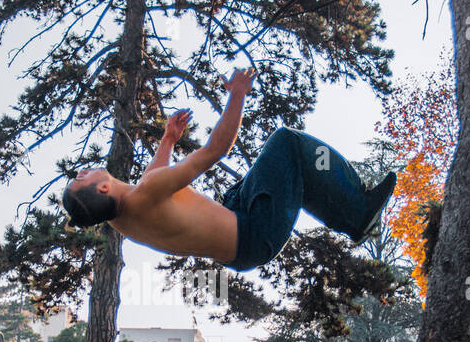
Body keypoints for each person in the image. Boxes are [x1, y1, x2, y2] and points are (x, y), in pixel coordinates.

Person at [60, 67, 397, 271]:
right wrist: (237, 95)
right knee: (287, 143)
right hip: (254, 231)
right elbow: (215, 151)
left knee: (292, 174)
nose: (83, 172)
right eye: (81, 179)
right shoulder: (145, 194)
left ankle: (351, 213)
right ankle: (358, 213)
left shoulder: (122, 216)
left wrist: (168, 139)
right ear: (102, 189)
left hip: (237, 230)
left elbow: (153, 179)